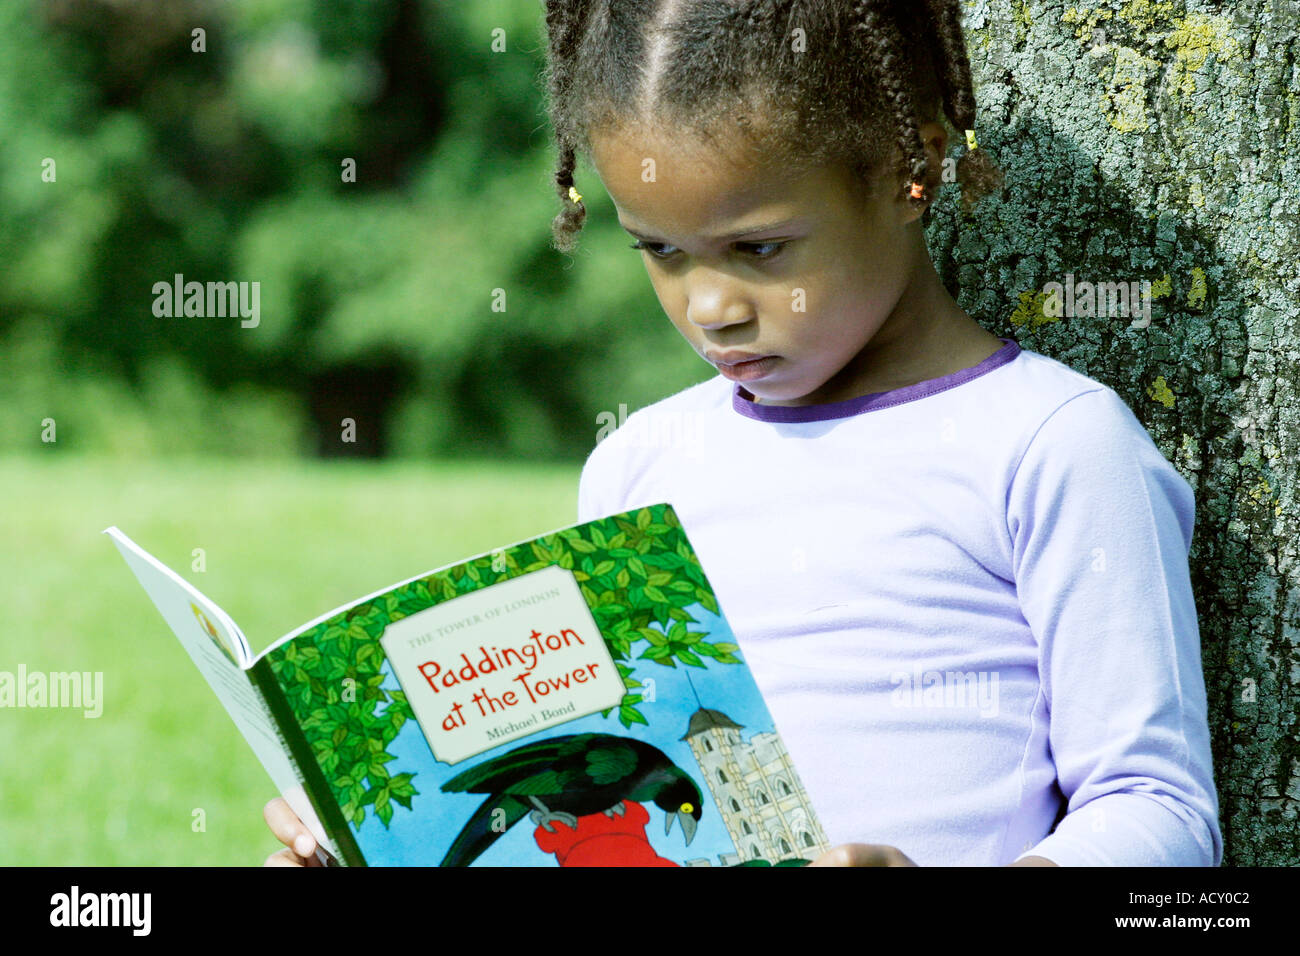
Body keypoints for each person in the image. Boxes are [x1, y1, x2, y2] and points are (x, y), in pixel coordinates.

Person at [264, 0, 1222, 867]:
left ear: (914, 170)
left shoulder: (1050, 447)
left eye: (759, 248)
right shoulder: (636, 467)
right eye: (660, 251)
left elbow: (1159, 811)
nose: (711, 308)